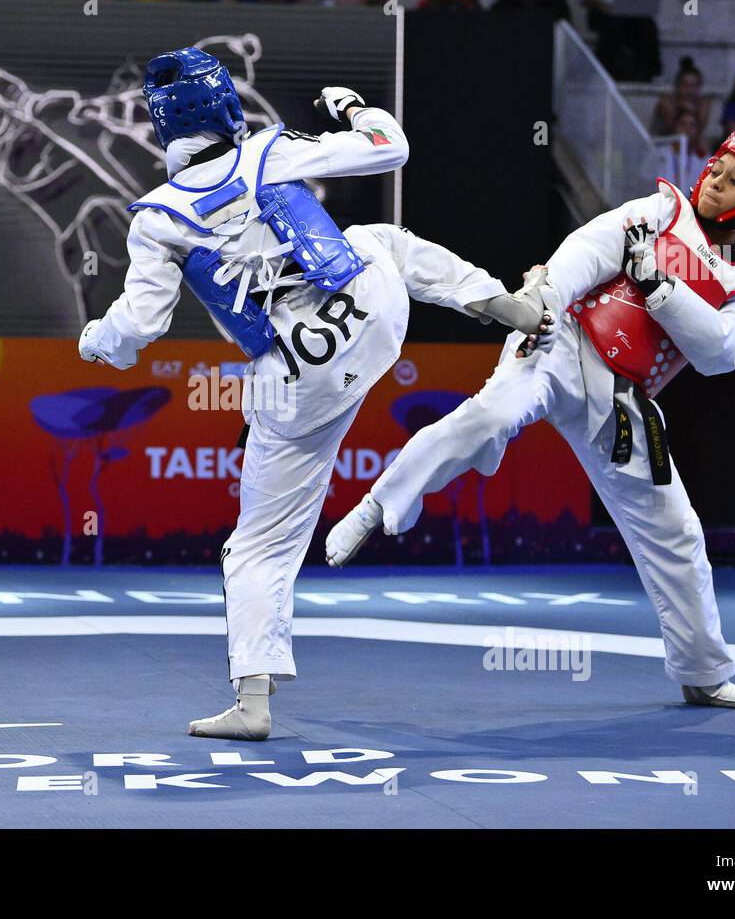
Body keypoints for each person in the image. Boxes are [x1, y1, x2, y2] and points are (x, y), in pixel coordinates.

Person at [77, 48, 552, 740]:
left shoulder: (155, 218)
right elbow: (391, 147)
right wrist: (354, 108)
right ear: (225, 106)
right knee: (378, 238)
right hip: (372, 316)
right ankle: (512, 308)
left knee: (258, 547)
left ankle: (253, 703)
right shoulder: (269, 149)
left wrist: (96, 340)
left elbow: (137, 328)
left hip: (296, 381)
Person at [327, 123, 735, 712]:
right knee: (491, 413)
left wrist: (658, 285)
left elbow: (719, 354)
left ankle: (703, 674)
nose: (716, 184)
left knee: (676, 534)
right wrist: (541, 305)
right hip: (561, 338)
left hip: (622, 401)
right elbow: (585, 250)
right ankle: (381, 501)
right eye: (717, 169)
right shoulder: (659, 210)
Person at [652, 57, 711, 142]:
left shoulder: (703, 104)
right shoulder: (665, 102)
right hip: (663, 146)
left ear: (699, 88)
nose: (689, 90)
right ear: (677, 86)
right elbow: (675, 133)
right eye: (685, 85)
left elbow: (697, 134)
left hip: (690, 148)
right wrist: (686, 107)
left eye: (693, 86)